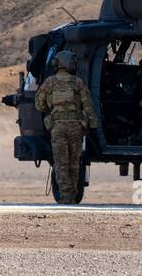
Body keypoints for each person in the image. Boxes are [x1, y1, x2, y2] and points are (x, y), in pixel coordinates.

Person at [34, 50, 99, 203]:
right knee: (74, 163)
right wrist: (92, 125)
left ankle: (66, 196)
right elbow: (88, 106)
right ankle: (72, 195)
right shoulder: (77, 82)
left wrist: (51, 108)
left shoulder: (50, 82)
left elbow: (38, 104)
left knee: (61, 163)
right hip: (76, 128)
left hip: (58, 128)